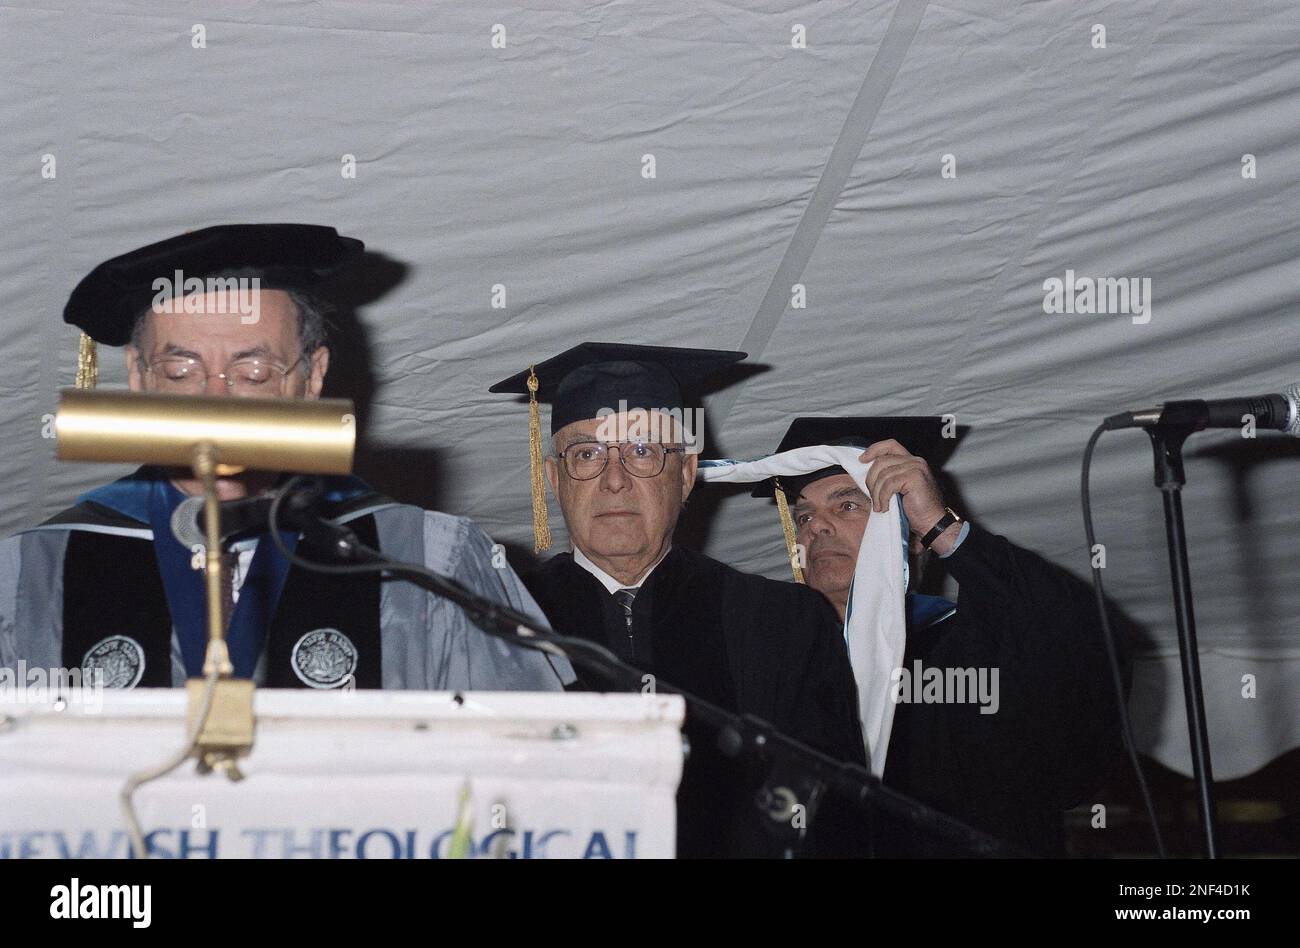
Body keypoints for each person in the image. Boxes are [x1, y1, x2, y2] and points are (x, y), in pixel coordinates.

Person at [0, 224, 571, 693]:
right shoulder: (33, 573)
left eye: (253, 372)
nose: (216, 401)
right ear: (137, 376)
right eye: (180, 371)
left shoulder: (428, 561)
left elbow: (525, 768)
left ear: (312, 376)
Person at [490, 343, 866, 857]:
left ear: (686, 474)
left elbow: (835, 819)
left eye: (643, 451)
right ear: (554, 480)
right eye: (586, 455)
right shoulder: (500, 619)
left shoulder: (779, 621)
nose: (614, 480)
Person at [754, 416, 1126, 856]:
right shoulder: (779, 668)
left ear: (912, 539)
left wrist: (939, 525)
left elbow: (1073, 639)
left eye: (848, 505)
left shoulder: (969, 651)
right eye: (804, 515)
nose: (815, 526)